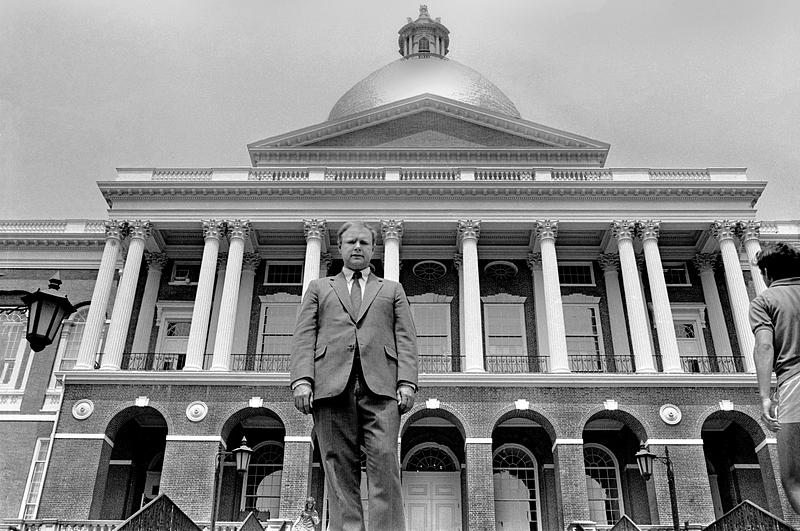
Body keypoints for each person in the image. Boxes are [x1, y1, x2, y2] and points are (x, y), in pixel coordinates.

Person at [291, 221, 419, 531]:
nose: (357, 247)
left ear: (373, 248)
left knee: (385, 461)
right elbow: (304, 336)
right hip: (330, 386)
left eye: (364, 242)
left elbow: (406, 338)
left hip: (382, 387)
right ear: (340, 247)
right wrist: (302, 379)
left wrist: (407, 381)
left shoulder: (392, 289)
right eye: (351, 242)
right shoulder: (319, 288)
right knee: (338, 467)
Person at [750, 241, 800, 513]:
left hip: (794, 381)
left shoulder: (765, 300)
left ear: (767, 273)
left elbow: (765, 346)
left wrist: (765, 396)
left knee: (793, 480)